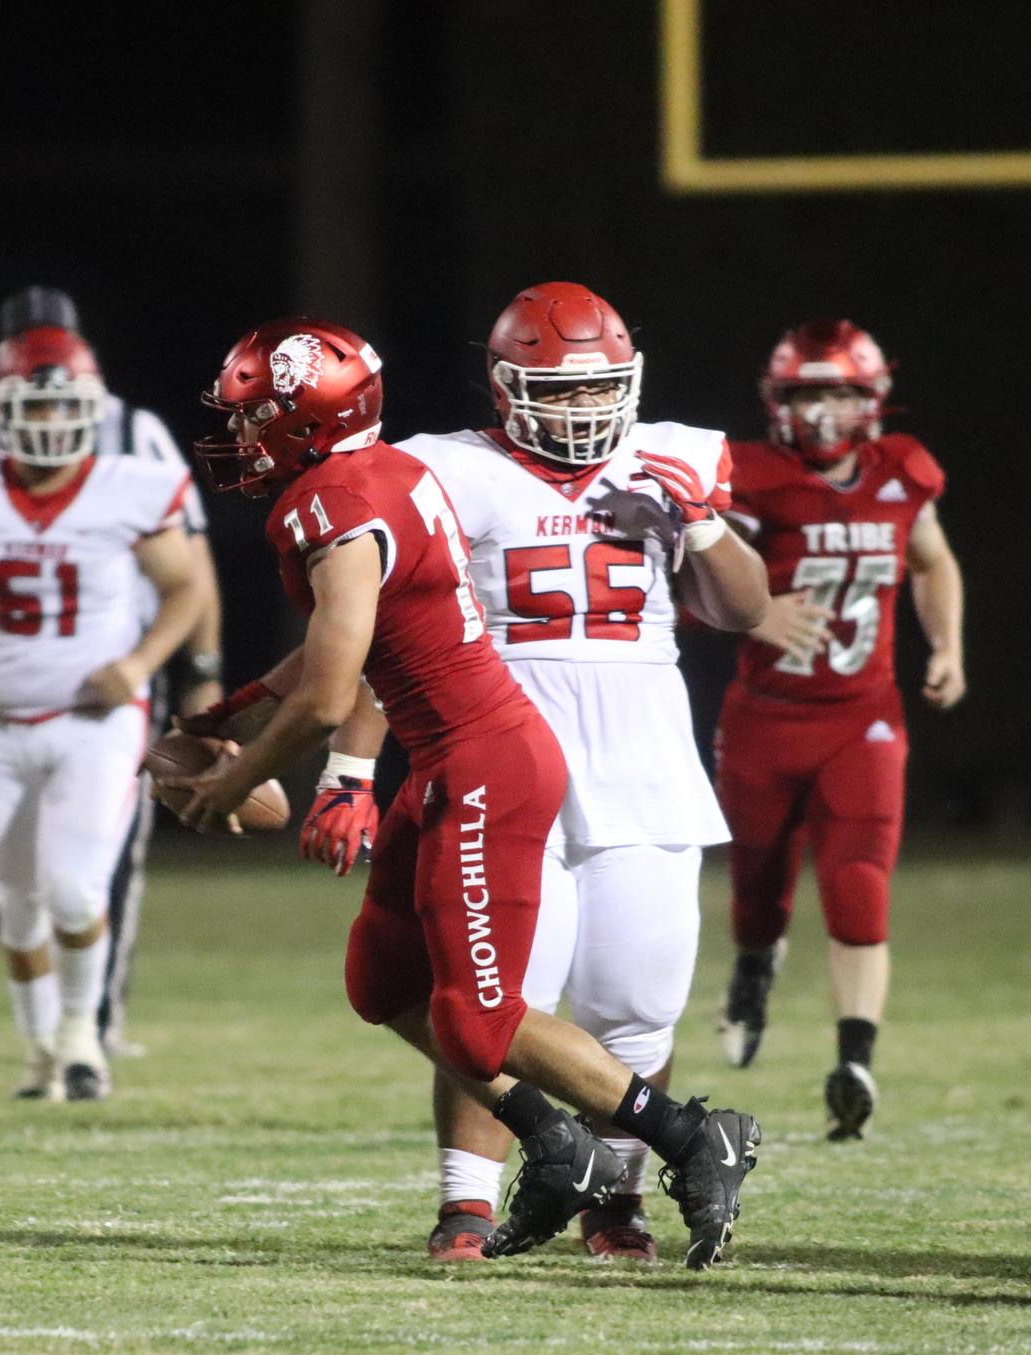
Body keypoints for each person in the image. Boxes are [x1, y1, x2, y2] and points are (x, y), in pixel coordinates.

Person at [163, 318, 760, 1269]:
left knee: (493, 1012)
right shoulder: (401, 472)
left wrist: (228, 783)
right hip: (472, 753)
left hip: (491, 759)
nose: (239, 437)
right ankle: (550, 1141)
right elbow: (341, 653)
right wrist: (228, 718)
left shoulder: (335, 500)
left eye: (255, 417)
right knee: (385, 982)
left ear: (303, 420)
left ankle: (691, 1139)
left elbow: (329, 686)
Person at [0, 286, 224, 1054]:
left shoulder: (133, 447)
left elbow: (190, 572)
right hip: (2, 703)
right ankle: (42, 1040)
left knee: (82, 876)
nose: (47, 418)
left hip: (108, 693)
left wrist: (185, 666)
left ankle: (87, 1030)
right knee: (22, 886)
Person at [710, 319, 967, 1142]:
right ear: (778, 401)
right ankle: (755, 964)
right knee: (758, 882)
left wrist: (950, 644)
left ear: (873, 398)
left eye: (839, 391)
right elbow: (691, 576)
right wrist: (757, 609)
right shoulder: (748, 475)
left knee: (858, 882)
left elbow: (932, 561)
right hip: (764, 720)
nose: (823, 409)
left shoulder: (901, 470)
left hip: (863, 719)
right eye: (806, 392)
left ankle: (854, 1058)